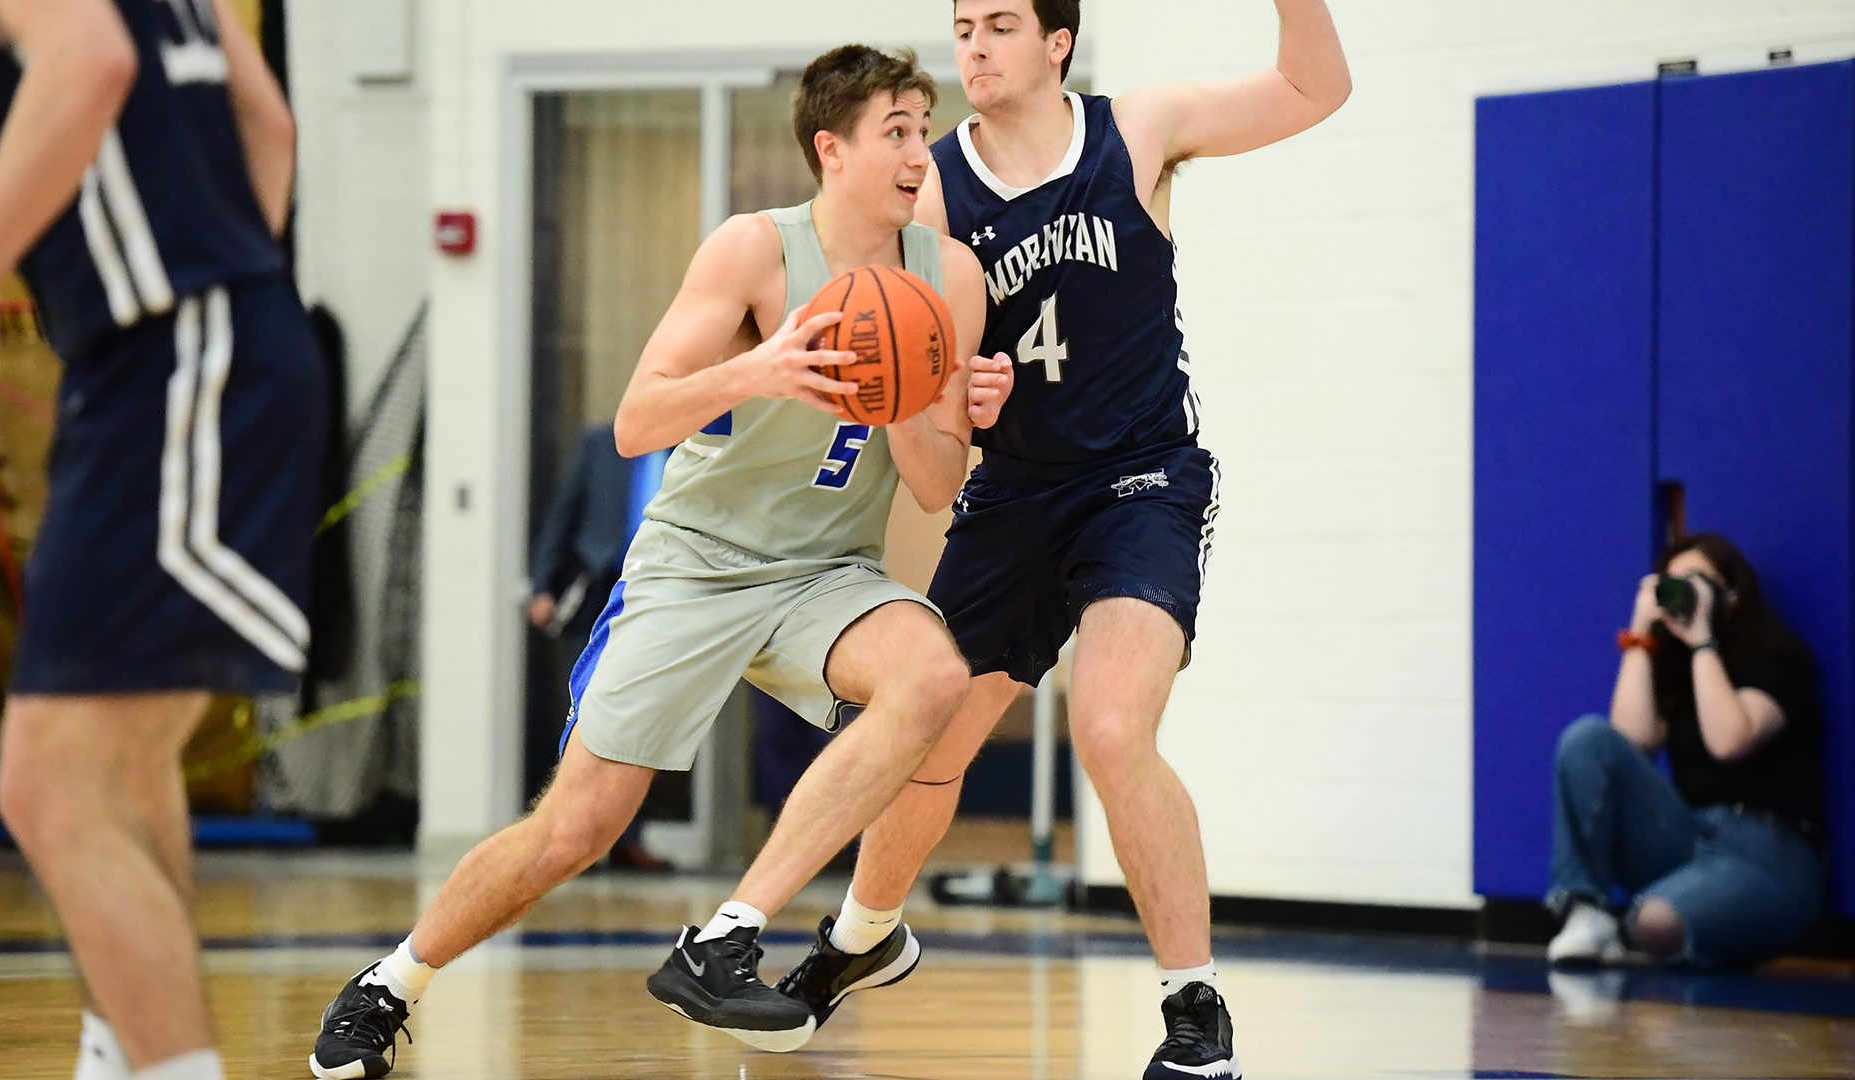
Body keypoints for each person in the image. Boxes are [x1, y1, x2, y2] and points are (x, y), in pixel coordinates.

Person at [307, 44, 1012, 1078]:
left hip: (827, 573)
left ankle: (734, 934)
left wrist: (904, 392)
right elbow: (638, 421)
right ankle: (389, 982)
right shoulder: (754, 251)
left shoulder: (946, 276)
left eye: (924, 129)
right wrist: (763, 368)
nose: (920, 153)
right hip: (698, 562)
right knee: (576, 827)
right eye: (896, 132)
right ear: (831, 149)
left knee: (934, 677)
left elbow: (938, 485)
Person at [768, 4, 1350, 1079]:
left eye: (1000, 24)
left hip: (1140, 481)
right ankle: (860, 938)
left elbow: (1316, 89)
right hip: (1014, 492)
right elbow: (918, 378)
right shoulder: (936, 187)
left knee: (1113, 729)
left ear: (1057, 43)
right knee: (924, 736)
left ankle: (1194, 1008)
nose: (975, 47)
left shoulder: (1139, 129)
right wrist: (954, 392)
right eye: (963, 27)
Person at [0, 3, 316, 1080]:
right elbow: (270, 124)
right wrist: (236, 295)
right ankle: (120, 1048)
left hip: (177, 354)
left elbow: (90, 59)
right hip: (201, 349)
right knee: (126, 767)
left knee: (47, 783)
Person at [1546, 533, 1827, 968]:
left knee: (1654, 924)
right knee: (1586, 737)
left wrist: (1703, 643)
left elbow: (1729, 741)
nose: (1682, 594)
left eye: (1696, 582)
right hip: (1689, 836)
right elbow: (1627, 743)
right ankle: (1587, 910)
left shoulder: (1780, 657)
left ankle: (1699, 922)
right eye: (1671, 584)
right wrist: (1641, 632)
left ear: (1731, 595)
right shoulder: (1677, 671)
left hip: (1770, 853)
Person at [525, 422, 673, 869]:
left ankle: (626, 837)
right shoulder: (599, 444)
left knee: (644, 716)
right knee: (585, 710)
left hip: (663, 594)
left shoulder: (697, 444)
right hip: (597, 591)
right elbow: (564, 513)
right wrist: (542, 584)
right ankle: (568, 831)